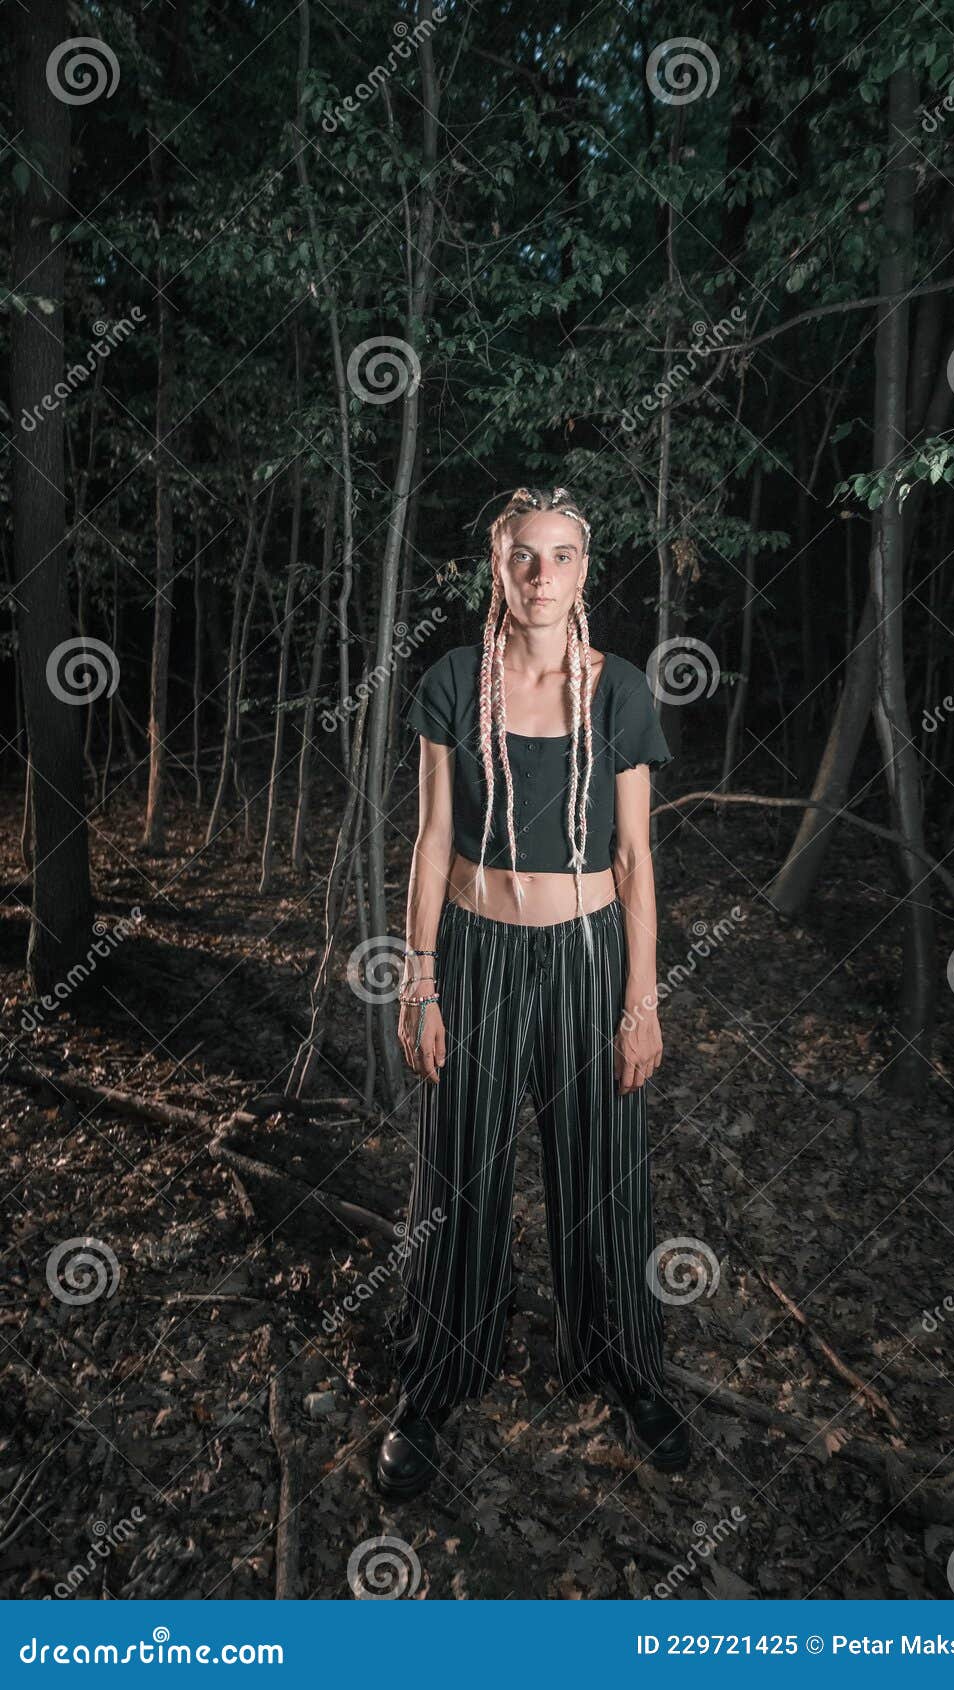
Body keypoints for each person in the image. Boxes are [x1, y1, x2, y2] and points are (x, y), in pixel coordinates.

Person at [377, 484, 690, 1499]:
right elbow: (430, 840)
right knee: (457, 1163)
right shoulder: (453, 682)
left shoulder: (622, 691)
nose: (541, 573)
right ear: (498, 569)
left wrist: (642, 1003)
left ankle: (624, 1367)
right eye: (523, 555)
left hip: (590, 954)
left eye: (561, 554)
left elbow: (638, 858)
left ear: (585, 571)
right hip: (476, 947)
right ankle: (431, 1382)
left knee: (600, 1168)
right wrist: (420, 981)